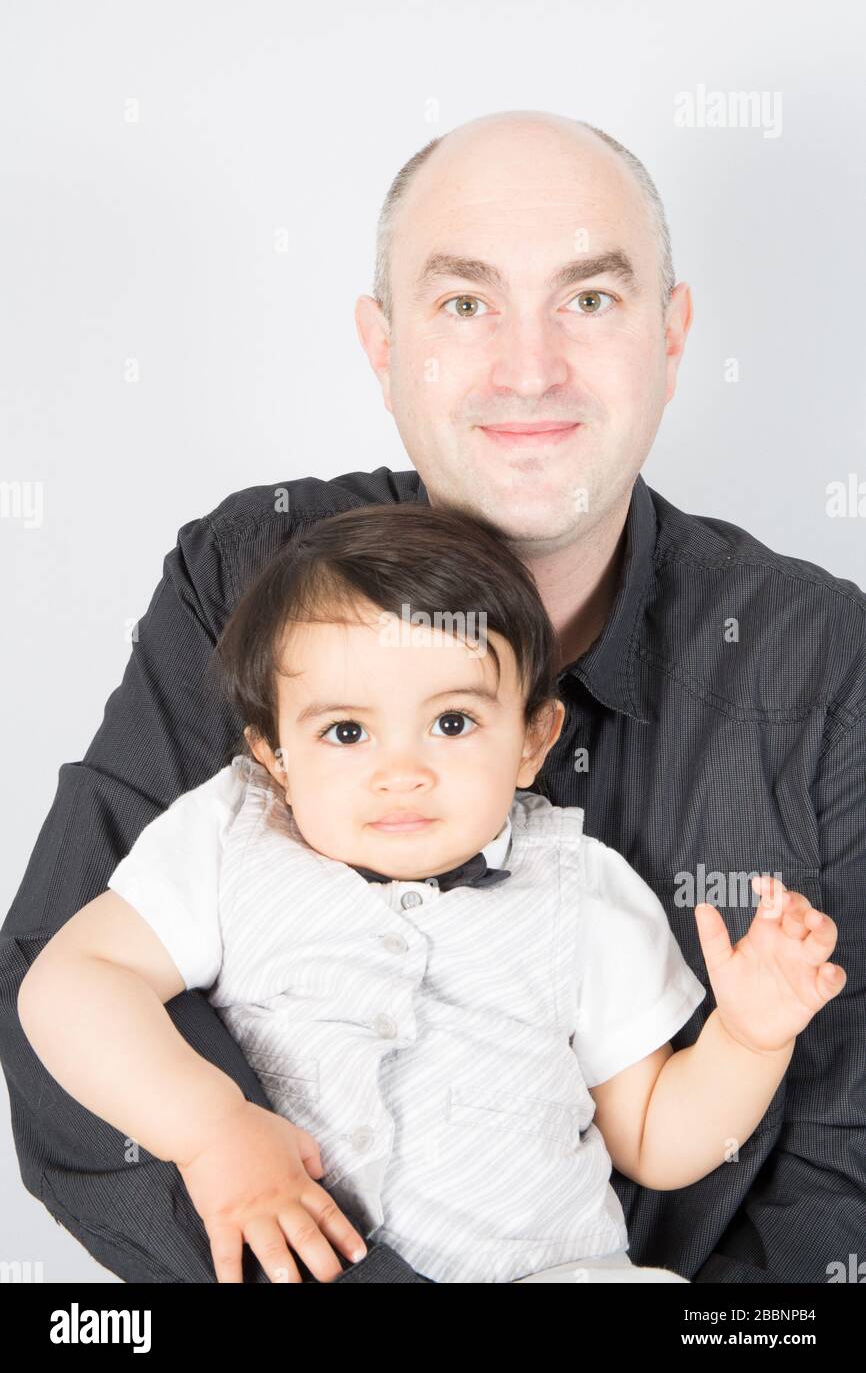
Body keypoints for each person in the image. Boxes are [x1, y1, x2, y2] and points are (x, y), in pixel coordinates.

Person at [1, 110, 863, 1285]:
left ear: (670, 336)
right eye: (464, 303)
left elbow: (824, 1166)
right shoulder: (246, 580)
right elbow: (63, 1006)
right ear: (383, 341)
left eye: (590, 299)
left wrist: (751, 1032)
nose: (527, 366)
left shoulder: (821, 661)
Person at [15, 503, 845, 1284]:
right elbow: (71, 982)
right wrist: (209, 1130)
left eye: (452, 722)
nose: (400, 772)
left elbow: (655, 1142)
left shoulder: (581, 889)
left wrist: (748, 1039)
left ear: (532, 740)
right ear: (274, 753)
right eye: (346, 732)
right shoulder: (232, 838)